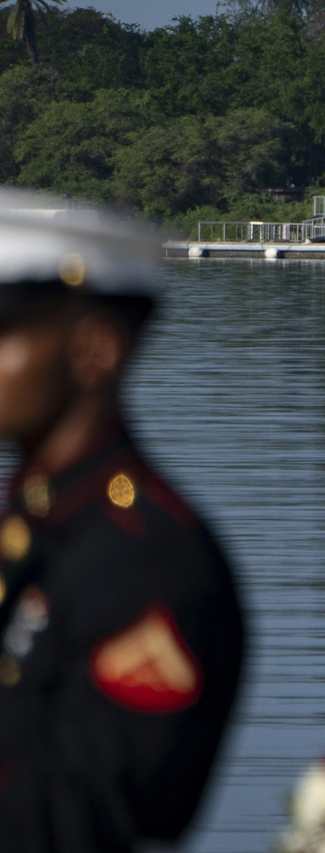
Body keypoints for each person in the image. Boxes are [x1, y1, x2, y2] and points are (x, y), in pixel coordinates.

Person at [0, 189, 246, 850]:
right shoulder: (32, 529)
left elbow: (78, 820)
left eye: (3, 331)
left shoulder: (148, 560)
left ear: (96, 351)